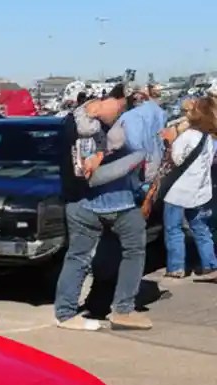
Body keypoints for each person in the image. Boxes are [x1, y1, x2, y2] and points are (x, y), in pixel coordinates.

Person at [54, 85, 153, 331]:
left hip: (80, 203)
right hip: (112, 201)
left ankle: (66, 312)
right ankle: (122, 310)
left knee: (79, 256)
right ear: (105, 99)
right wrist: (109, 154)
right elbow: (90, 172)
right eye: (120, 104)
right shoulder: (90, 129)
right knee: (133, 249)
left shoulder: (73, 121)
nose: (121, 110)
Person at [159, 96, 217, 281]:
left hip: (179, 190)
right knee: (200, 228)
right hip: (200, 189)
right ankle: (210, 264)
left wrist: (170, 141)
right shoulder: (209, 138)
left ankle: (176, 267)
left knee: (173, 228)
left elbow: (176, 159)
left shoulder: (187, 136)